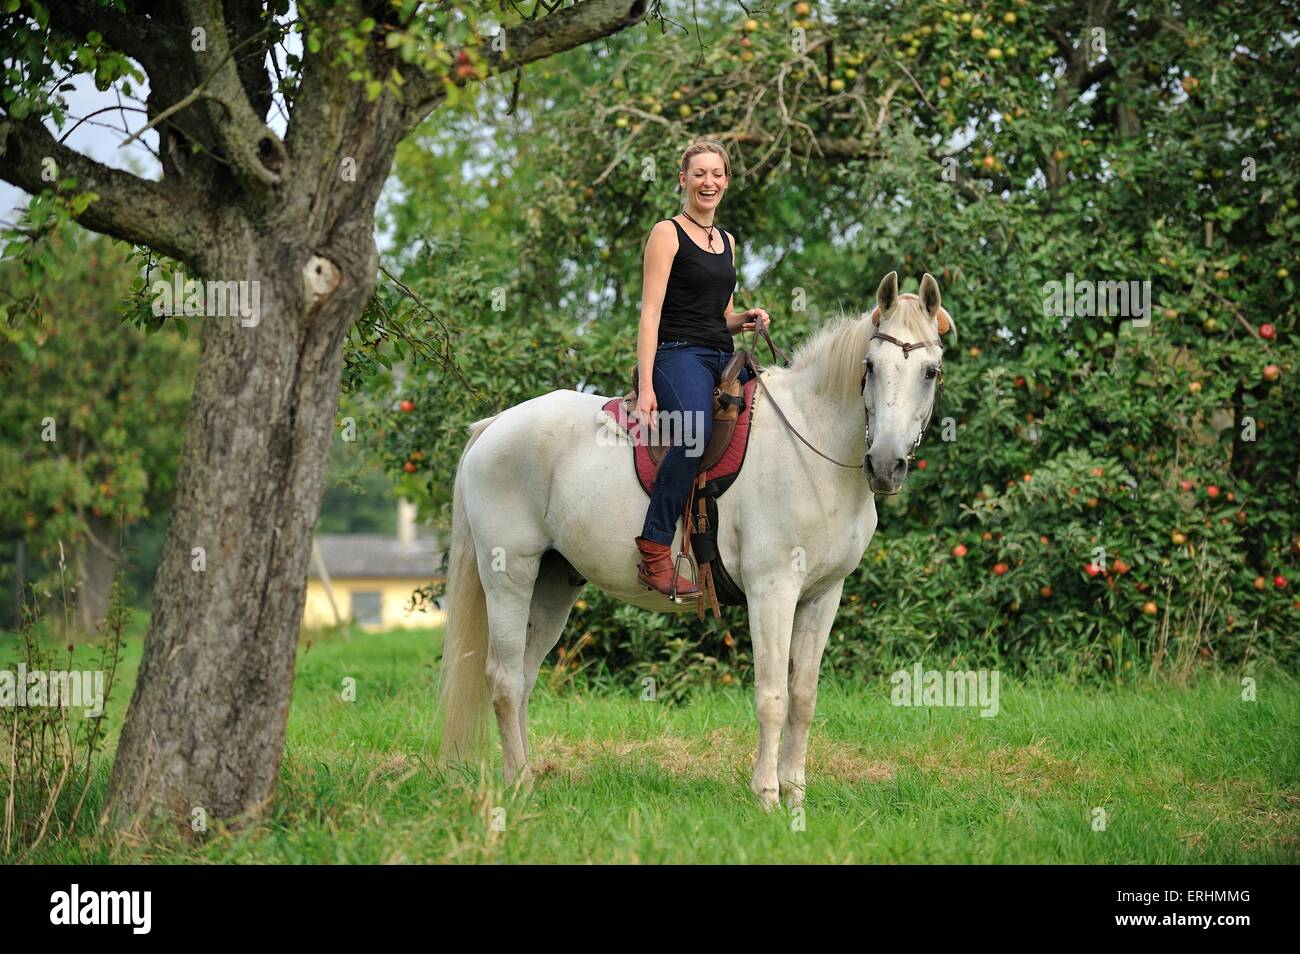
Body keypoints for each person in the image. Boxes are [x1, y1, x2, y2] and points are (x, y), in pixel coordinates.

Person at [632, 139, 771, 599]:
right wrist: (648, 384)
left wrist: (745, 318)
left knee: (774, 415)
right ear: (684, 180)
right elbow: (650, 313)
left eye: (717, 174)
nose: (708, 182)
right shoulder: (666, 233)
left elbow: (720, 314)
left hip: (720, 353)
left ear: (727, 181)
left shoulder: (727, 241)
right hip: (677, 354)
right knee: (692, 433)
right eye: (699, 174)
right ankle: (654, 551)